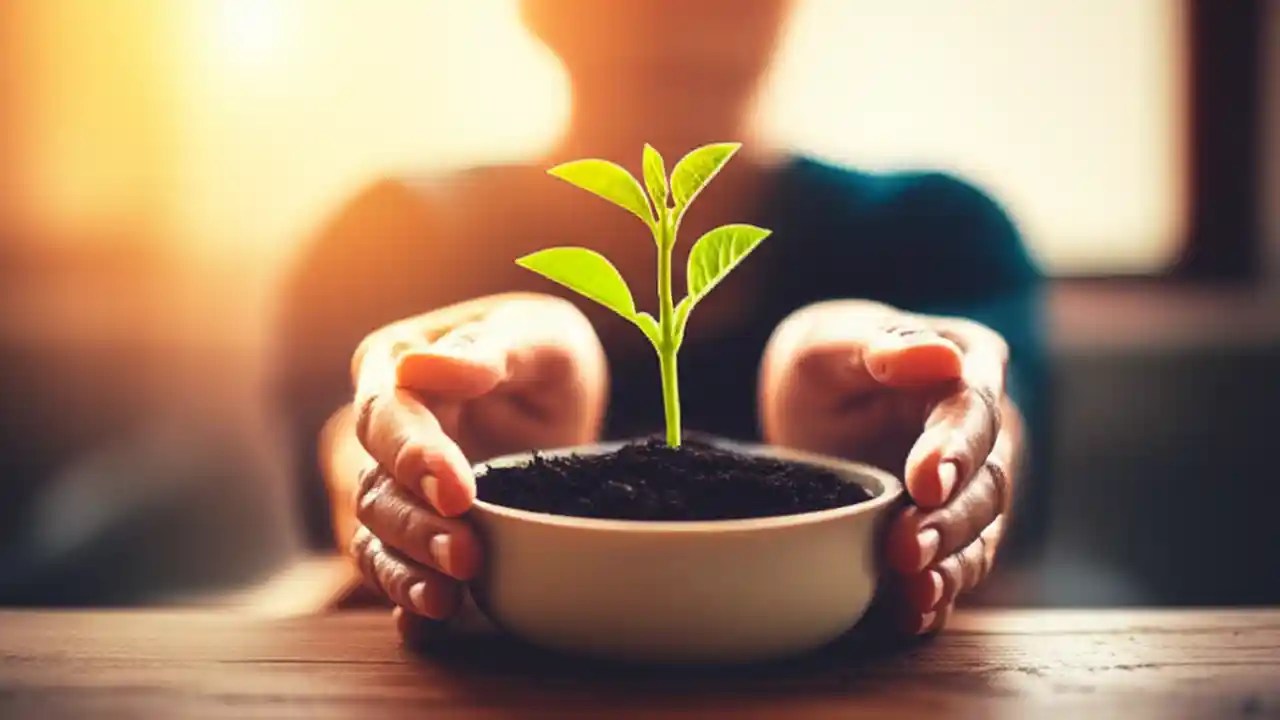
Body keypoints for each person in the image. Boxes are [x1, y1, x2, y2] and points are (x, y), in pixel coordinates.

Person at [275, 0, 1045, 642]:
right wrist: (413, 475)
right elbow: (344, 480)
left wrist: (918, 476)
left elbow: (1005, 476)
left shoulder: (936, 230)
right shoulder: (392, 231)